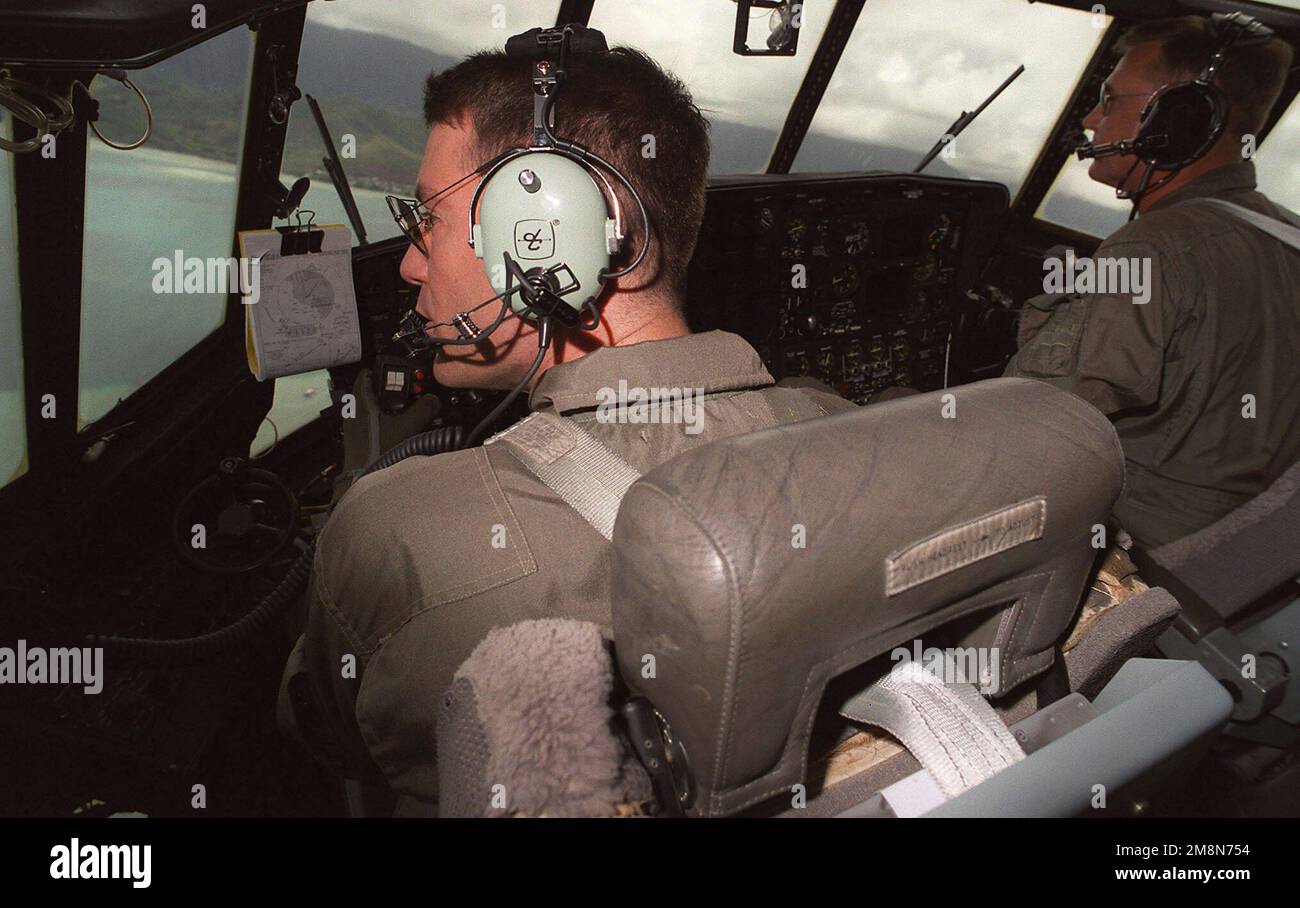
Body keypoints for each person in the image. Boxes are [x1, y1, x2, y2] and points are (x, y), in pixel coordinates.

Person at [278, 40, 855, 815]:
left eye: (426, 220)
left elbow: (320, 730)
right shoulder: (844, 427)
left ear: (544, 228)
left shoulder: (397, 533)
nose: (411, 267)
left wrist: (363, 482)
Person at [1005, 15, 1299, 549]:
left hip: (1132, 545)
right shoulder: (1288, 234)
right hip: (1239, 554)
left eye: (1111, 100)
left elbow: (1026, 424)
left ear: (1181, 119)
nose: (1093, 119)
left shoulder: (1157, 249)